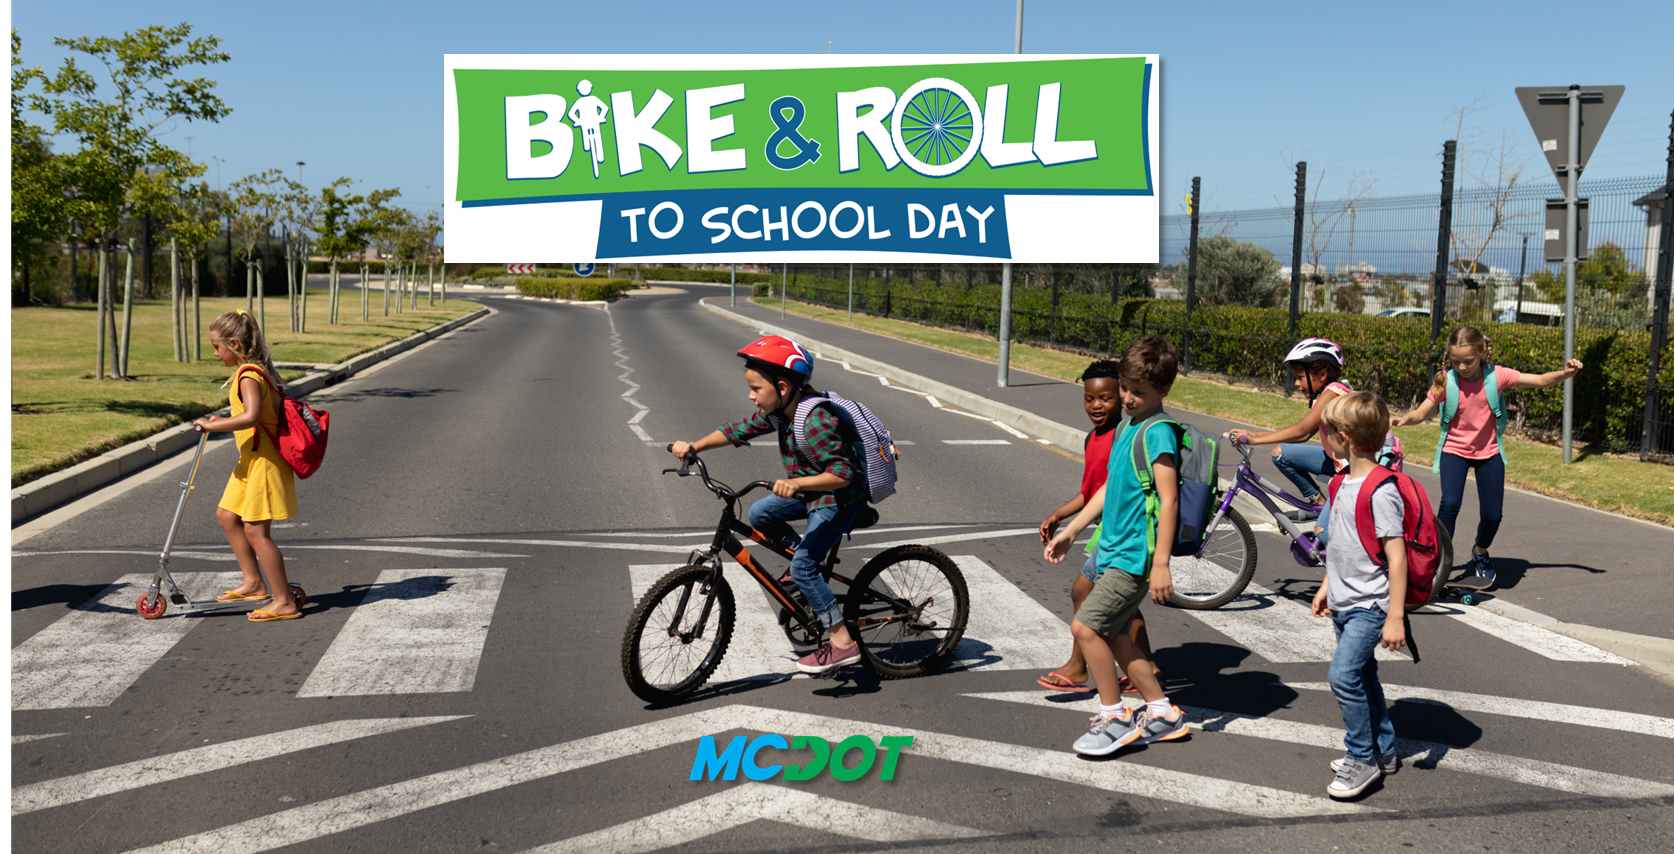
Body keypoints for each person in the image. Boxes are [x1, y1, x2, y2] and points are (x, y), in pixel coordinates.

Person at [671, 335, 867, 675]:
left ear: (782, 386)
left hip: (839, 498)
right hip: (813, 493)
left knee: (805, 568)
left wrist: (797, 483)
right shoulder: (781, 413)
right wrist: (694, 447)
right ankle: (806, 560)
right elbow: (738, 431)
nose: (750, 396)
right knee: (761, 513)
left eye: (756, 389)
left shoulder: (815, 420)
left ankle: (842, 643)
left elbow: (843, 473)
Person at [1045, 336, 1188, 755]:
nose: (1126, 398)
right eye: (1124, 387)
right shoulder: (1128, 425)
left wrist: (1160, 563)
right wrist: (1073, 529)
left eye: (1137, 392)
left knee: (1086, 627)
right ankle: (1162, 712)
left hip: (1134, 557)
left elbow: (1169, 499)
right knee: (1114, 633)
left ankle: (1114, 718)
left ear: (1163, 391)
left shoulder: (1158, 432)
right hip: (1111, 549)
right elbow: (1111, 486)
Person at [1389, 326, 1582, 582]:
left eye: (1468, 361)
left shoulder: (1497, 376)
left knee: (1492, 515)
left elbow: (1540, 380)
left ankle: (1480, 551)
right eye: (1456, 361)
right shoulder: (1447, 380)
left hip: (1488, 453)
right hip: (1454, 451)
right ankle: (1435, 558)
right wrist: (1404, 419)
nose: (1462, 366)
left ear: (1481, 354)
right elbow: (1422, 412)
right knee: (1450, 504)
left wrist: (1567, 373)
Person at [1036, 360, 1158, 695]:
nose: (1096, 405)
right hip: (1108, 529)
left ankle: (1079, 667)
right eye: (1089, 398)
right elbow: (1091, 492)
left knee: (1086, 593)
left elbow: (1113, 494)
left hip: (1120, 532)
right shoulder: (1095, 438)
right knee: (1120, 605)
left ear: (1120, 397)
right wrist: (1060, 515)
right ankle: (1147, 665)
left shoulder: (1123, 437)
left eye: (1105, 398)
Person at [1310, 391, 1408, 799]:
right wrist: (1327, 586)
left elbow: (1397, 558)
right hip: (1345, 600)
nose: (1326, 436)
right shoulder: (1339, 483)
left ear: (1344, 437)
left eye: (1329, 430)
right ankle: (1383, 750)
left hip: (1371, 605)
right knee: (1364, 676)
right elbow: (1343, 544)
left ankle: (1362, 758)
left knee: (1342, 676)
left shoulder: (1380, 490)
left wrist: (1395, 616)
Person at [191, 310, 301, 623]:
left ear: (234, 343)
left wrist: (215, 425)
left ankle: (283, 601)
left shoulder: (250, 374)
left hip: (265, 462)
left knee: (256, 531)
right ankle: (253, 583)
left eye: (217, 347)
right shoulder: (248, 370)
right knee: (227, 516)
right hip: (250, 460)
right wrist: (219, 421)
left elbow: (252, 415)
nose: (215, 353)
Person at [1226, 338, 1350, 524]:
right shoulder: (1325, 395)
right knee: (1281, 454)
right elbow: (1306, 434)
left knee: (1323, 536)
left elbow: (1302, 430)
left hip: (1352, 471)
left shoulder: (1333, 393)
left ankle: (1328, 522)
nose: (1297, 384)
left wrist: (1255, 440)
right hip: (1337, 462)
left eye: (1300, 377)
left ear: (1322, 374)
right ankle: (1321, 505)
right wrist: (1252, 434)